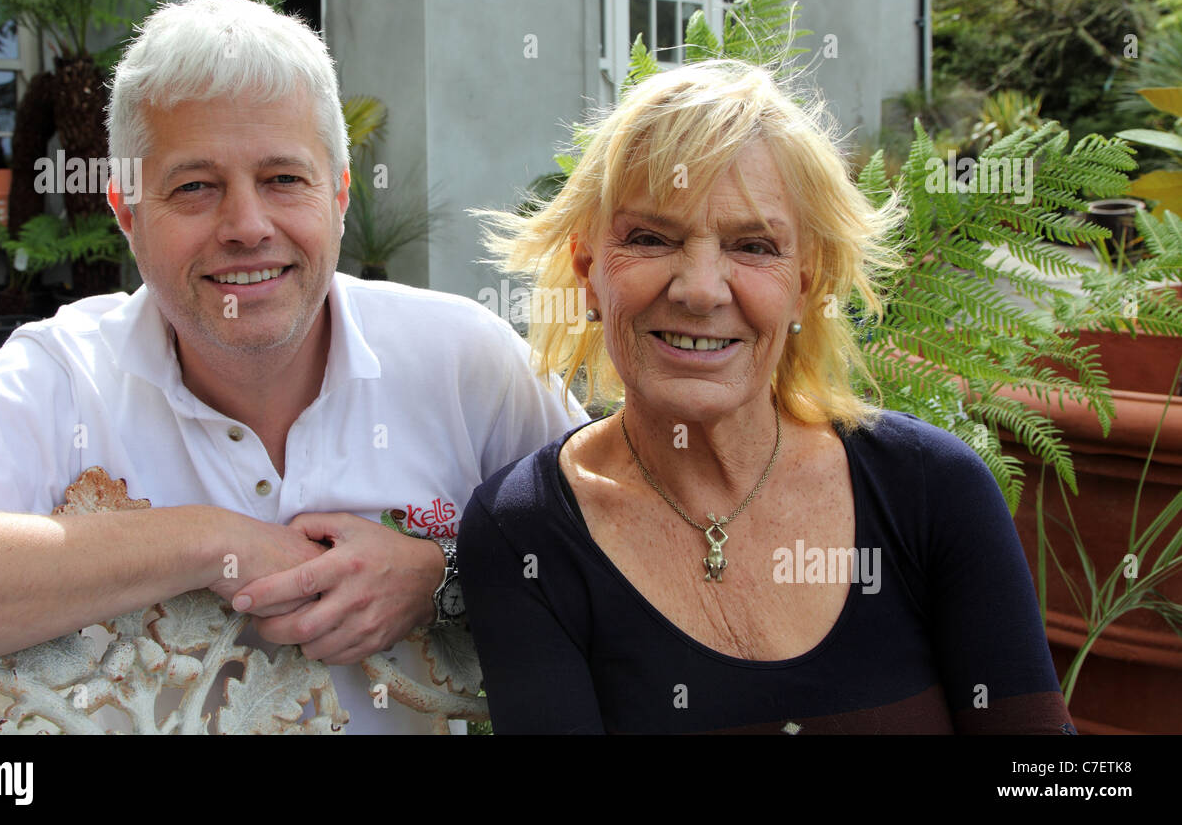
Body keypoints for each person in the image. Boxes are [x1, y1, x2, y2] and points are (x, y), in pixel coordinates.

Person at [0, 0, 587, 734]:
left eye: (284, 178)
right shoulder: (65, 376)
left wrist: (440, 574)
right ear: (127, 214)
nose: (247, 227)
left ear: (339, 194)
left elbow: (621, 547)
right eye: (194, 187)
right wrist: (208, 541)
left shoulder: (461, 358)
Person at [458, 59, 1076, 734]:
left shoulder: (931, 489)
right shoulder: (525, 534)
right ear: (586, 274)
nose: (700, 289)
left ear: (806, 285)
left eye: (752, 246)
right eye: (650, 238)